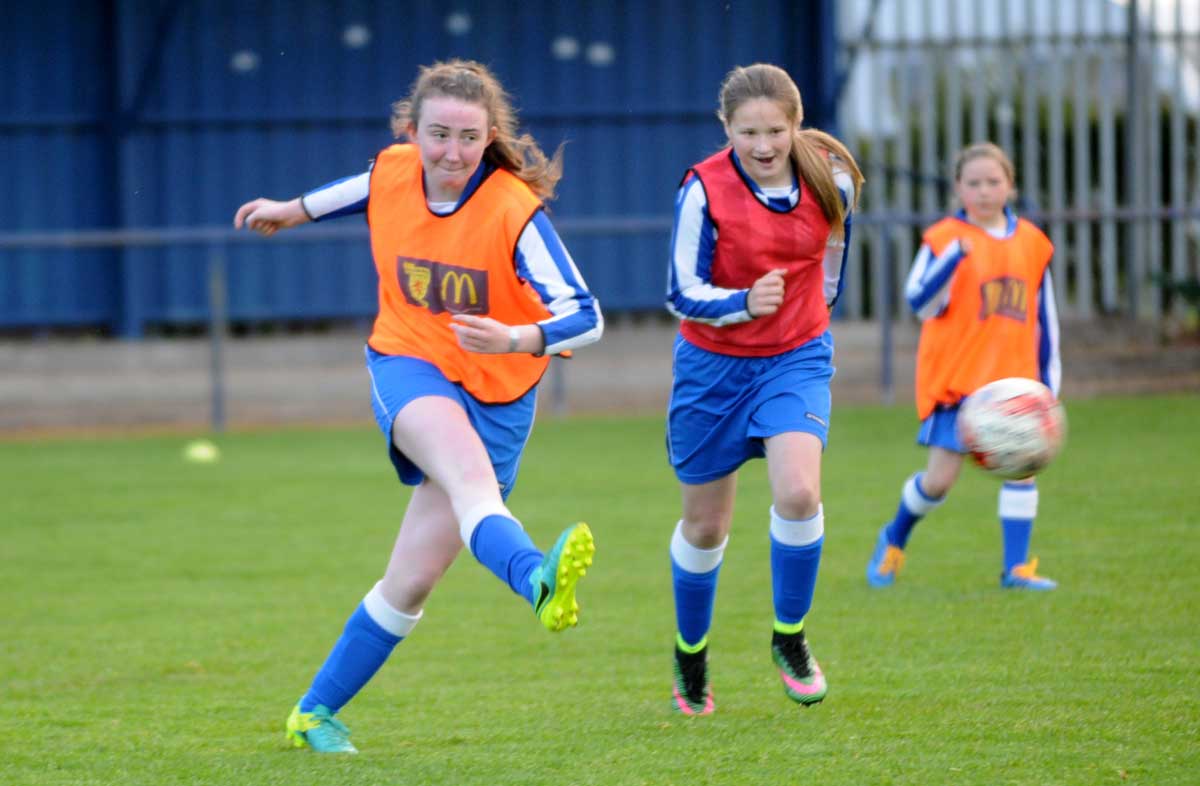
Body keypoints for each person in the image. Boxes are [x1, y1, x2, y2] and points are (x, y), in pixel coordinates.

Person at [233, 59, 603, 753]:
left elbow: (586, 315)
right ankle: (537, 578)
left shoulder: (513, 209)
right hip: (409, 363)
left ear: (489, 137)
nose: (452, 153)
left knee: (409, 582)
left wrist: (516, 337)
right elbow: (352, 192)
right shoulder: (395, 169)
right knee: (470, 483)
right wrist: (289, 209)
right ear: (412, 131)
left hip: (500, 393)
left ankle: (312, 714)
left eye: (468, 138)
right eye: (438, 135)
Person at [663, 63, 864, 715]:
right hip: (712, 369)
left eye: (775, 130)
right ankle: (690, 653)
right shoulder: (703, 189)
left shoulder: (831, 180)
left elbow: (832, 257)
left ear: (795, 124)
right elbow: (680, 292)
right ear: (725, 128)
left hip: (795, 358)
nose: (763, 145)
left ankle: (790, 637)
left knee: (799, 492)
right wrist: (743, 302)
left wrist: (810, 318)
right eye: (747, 132)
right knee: (705, 527)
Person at [865, 141, 1061, 591]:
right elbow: (919, 302)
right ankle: (893, 540)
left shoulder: (1033, 243)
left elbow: (1046, 321)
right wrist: (953, 258)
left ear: (1010, 185)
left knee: (1023, 470)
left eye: (993, 181)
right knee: (939, 481)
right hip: (958, 385)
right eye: (973, 183)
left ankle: (1017, 569)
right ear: (957, 188)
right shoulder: (944, 239)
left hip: (1013, 389)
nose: (984, 191)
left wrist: (1048, 387)